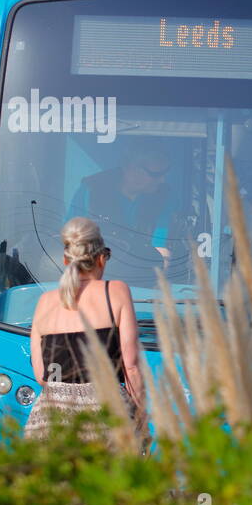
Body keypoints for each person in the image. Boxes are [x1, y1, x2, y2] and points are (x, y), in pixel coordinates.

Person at [24, 217, 145, 440]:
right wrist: (142, 417)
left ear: (64, 260)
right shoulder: (115, 292)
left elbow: (42, 375)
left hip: (50, 419)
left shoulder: (44, 302)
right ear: (101, 258)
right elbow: (132, 367)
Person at [68, 144, 176, 285]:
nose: (162, 180)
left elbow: (160, 249)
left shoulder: (163, 199)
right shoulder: (90, 191)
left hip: (142, 281)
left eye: (165, 173)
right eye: (156, 174)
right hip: (94, 280)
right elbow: (71, 242)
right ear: (132, 169)